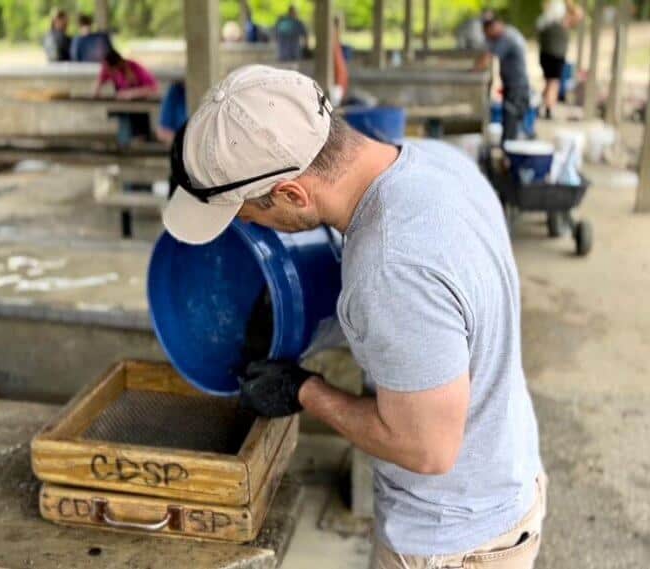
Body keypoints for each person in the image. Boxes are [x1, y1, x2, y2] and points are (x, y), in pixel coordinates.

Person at [162, 65, 544, 569]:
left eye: (246, 215)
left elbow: (427, 450)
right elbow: (446, 309)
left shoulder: (388, 266)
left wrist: (302, 390)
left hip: (455, 540)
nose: (248, 226)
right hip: (507, 475)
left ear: (293, 194)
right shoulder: (434, 162)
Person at [476, 13, 531, 142]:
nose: (487, 36)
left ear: (495, 25)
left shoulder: (507, 38)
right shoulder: (507, 34)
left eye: (487, 31)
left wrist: (472, 70)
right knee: (512, 124)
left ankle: (510, 155)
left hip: (517, 87)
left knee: (511, 127)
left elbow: (487, 58)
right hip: (513, 85)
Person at [94, 48, 160, 143]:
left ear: (118, 64)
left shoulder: (135, 67)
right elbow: (101, 79)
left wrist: (132, 93)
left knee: (139, 136)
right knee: (125, 129)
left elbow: (153, 88)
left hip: (139, 107)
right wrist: (97, 91)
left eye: (111, 69)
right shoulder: (108, 68)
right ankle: (125, 145)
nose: (109, 71)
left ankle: (140, 141)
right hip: (123, 107)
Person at [536, 1, 581, 119]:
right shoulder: (562, 23)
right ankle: (549, 109)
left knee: (548, 82)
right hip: (556, 56)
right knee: (553, 83)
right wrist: (570, 4)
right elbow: (579, 15)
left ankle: (539, 106)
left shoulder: (543, 22)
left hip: (544, 55)